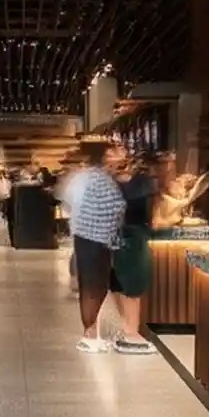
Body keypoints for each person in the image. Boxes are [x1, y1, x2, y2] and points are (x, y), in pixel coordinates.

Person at [70, 142, 127, 353]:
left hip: (87, 237)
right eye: (112, 153)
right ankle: (89, 334)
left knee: (92, 286)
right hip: (96, 239)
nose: (117, 157)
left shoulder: (89, 177)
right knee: (95, 287)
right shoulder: (99, 179)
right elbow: (115, 206)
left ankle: (92, 333)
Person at [109, 151, 161, 354]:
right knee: (133, 287)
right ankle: (131, 333)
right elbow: (155, 219)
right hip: (134, 237)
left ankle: (125, 327)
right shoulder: (143, 185)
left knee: (118, 283)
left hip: (117, 237)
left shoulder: (112, 184)